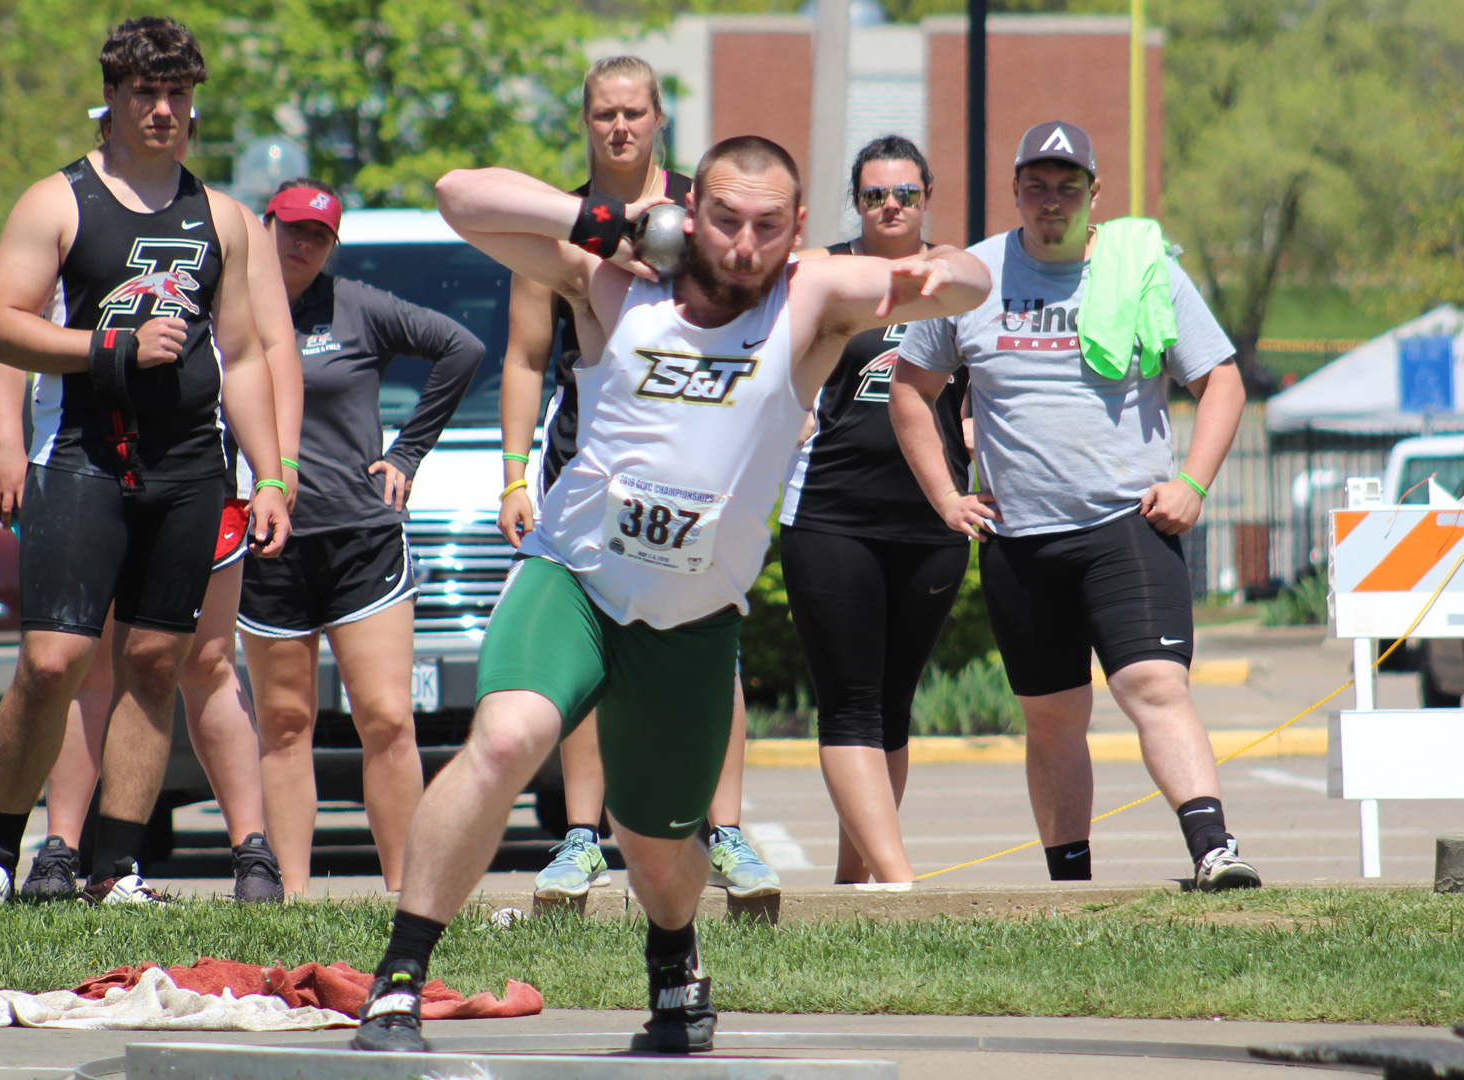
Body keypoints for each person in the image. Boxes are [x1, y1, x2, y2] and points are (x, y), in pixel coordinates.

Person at [351, 135, 988, 1053]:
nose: (742, 244)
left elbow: (963, 283)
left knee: (655, 847)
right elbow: (459, 196)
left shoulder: (810, 303)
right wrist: (601, 220)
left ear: (797, 230)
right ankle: (400, 980)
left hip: (692, 615)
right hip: (575, 577)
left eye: (767, 227)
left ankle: (674, 957)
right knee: (507, 737)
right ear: (690, 218)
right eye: (723, 220)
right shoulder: (619, 287)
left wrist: (842, 271)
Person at [0, 16, 289, 907]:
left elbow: (245, 356)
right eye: (146, 92)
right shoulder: (58, 200)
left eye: (178, 94)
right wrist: (115, 348)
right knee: (55, 661)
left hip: (190, 470)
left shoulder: (222, 216)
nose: (164, 110)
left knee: (153, 665)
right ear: (111, 96)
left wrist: (273, 474)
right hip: (83, 460)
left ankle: (117, 868)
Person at [890, 120, 1259, 890]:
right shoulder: (973, 276)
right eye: (1037, 184)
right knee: (1053, 719)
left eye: (1068, 186)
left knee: (1153, 686)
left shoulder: (1142, 267)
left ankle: (1213, 850)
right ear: (1015, 190)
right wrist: (946, 498)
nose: (1051, 200)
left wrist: (1191, 484)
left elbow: (1220, 379)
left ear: (1095, 195)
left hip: (1127, 523)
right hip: (1020, 538)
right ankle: (1070, 884)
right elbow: (910, 389)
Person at [498, 53, 780, 902]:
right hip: (589, 462)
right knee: (591, 652)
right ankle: (581, 837)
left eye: (633, 112)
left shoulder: (706, 210)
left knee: (709, 640)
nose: (618, 126)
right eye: (602, 114)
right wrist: (515, 475)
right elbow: (523, 355)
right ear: (585, 122)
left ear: (659, 119)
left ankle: (724, 832)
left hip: (699, 462)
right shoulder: (563, 219)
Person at [240, 177, 482, 896]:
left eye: (318, 235)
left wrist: (407, 454)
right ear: (264, 227)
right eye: (292, 229)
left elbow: (460, 348)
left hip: (361, 539)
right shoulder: (232, 309)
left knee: (385, 718)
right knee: (283, 725)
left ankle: (409, 896)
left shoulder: (357, 307)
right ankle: (288, 898)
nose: (303, 244)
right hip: (270, 543)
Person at [781, 135, 971, 885]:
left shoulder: (953, 279)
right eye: (873, 195)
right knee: (851, 703)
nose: (889, 205)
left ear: (927, 198)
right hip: (833, 512)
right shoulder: (825, 273)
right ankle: (897, 884)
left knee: (892, 707)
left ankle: (854, 884)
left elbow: (985, 377)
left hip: (930, 520)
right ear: (855, 202)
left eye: (904, 194)